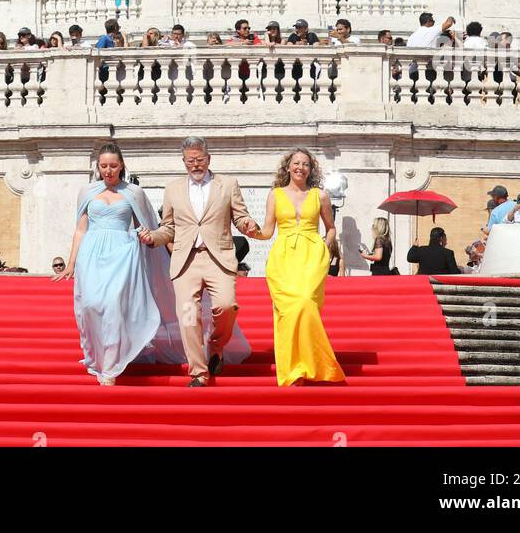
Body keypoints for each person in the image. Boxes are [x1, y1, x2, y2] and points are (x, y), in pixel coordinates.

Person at [59, 141, 182, 384]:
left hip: (123, 253)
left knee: (114, 306)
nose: (108, 170)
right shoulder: (87, 192)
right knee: (90, 306)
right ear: (98, 166)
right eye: (103, 166)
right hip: (91, 253)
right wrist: (71, 263)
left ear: (121, 165)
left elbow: (145, 226)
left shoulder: (134, 193)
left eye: (113, 166)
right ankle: (97, 355)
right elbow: (80, 229)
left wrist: (149, 238)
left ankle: (111, 367)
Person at [139, 136, 257, 387]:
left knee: (227, 306)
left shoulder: (227, 184)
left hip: (218, 258)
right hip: (186, 260)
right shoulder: (172, 189)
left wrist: (247, 224)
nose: (195, 165)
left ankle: (215, 345)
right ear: (184, 162)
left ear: (209, 159)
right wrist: (153, 238)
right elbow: (168, 228)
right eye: (190, 160)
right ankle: (198, 372)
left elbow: (240, 215)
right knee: (188, 315)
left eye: (200, 159)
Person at [248, 148, 344, 387]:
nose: (300, 167)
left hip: (312, 256)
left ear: (311, 170)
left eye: (306, 164)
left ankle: (315, 365)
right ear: (288, 167)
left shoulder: (320, 195)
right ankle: (294, 370)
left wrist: (325, 246)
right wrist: (254, 232)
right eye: (296, 163)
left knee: (304, 302)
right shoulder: (276, 195)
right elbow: (269, 230)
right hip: (283, 257)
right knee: (288, 311)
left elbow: (331, 227)